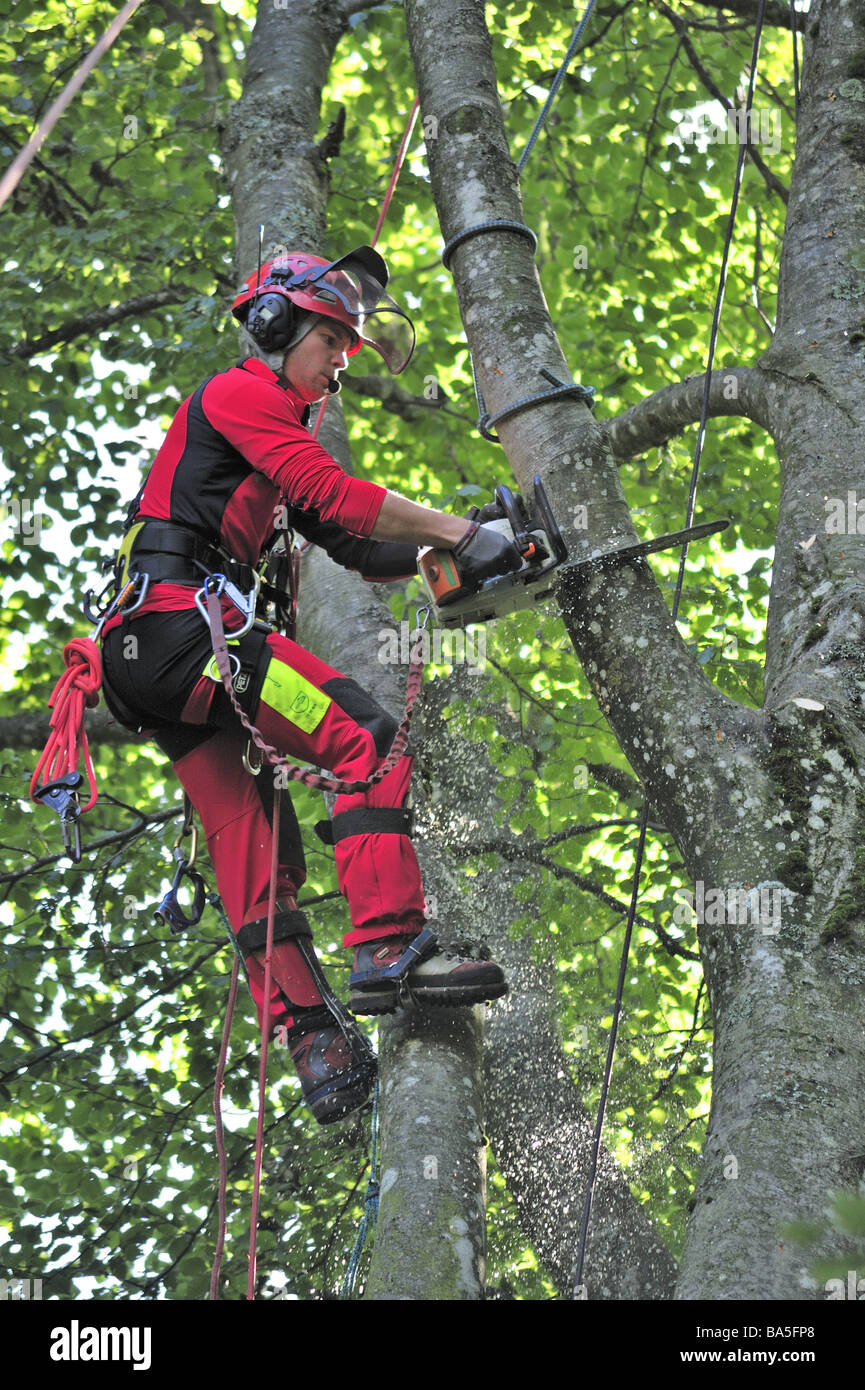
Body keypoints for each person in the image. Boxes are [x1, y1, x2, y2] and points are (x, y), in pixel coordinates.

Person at [99, 244, 520, 1124]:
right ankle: (390, 947)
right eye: (332, 343)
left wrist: (461, 545)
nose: (340, 365)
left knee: (257, 861)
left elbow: (360, 545)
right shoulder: (239, 392)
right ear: (273, 325)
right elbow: (336, 489)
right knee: (362, 737)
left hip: (154, 661)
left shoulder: (264, 441)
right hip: (191, 636)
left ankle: (319, 1045)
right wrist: (462, 531)